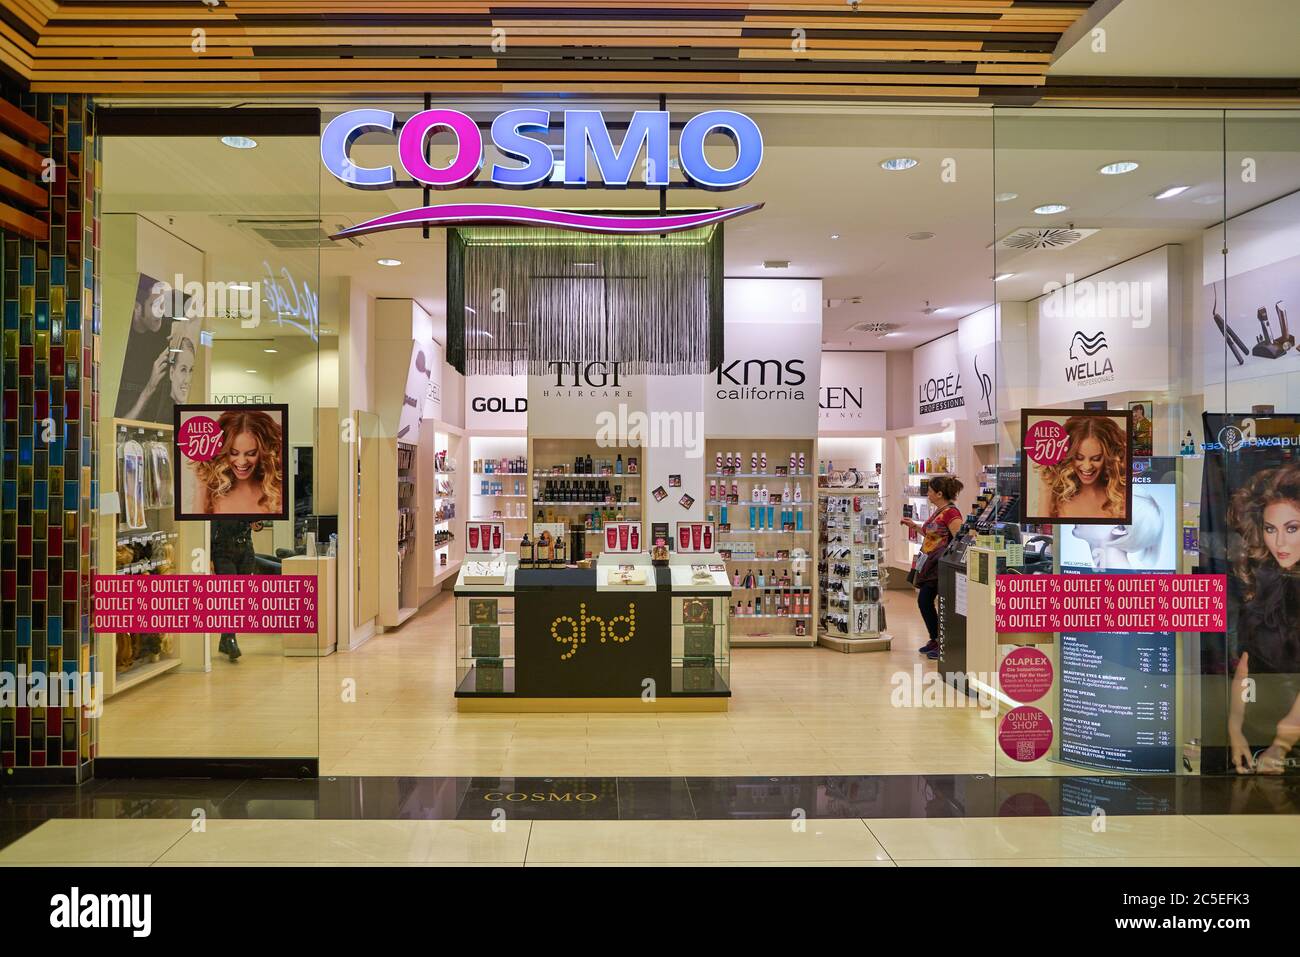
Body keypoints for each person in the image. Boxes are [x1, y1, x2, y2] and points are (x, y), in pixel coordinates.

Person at [1227, 462, 1300, 774]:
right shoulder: (1266, 581)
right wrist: (1234, 726)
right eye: (1271, 529)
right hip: (1260, 734)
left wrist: (1281, 746)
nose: (1279, 543)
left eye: (1292, 528)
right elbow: (1247, 665)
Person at [901, 475, 964, 659]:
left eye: (929, 490)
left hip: (940, 566)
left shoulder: (952, 513)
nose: (927, 493)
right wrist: (914, 526)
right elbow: (932, 534)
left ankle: (941, 641)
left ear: (939, 493)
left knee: (926, 601)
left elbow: (959, 539)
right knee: (925, 601)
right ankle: (936, 639)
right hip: (930, 565)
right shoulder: (939, 511)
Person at [192, 409, 284, 516]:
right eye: (234, 453)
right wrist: (201, 482)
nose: (242, 462)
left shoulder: (275, 491)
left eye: (251, 453)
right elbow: (197, 525)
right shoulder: (211, 490)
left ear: (264, 451)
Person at [1035, 414, 1128, 520]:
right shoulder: (1057, 495)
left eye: (1096, 458)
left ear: (1109, 457)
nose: (1087, 466)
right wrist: (1045, 486)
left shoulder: (1119, 495)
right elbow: (1043, 530)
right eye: (1079, 458)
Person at [210, 520, 263, 661]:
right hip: (223, 550)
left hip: (246, 548)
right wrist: (209, 557)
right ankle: (230, 640)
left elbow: (257, 524)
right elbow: (211, 525)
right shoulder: (220, 499)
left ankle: (225, 639)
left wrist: (258, 524)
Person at [122, 334, 196, 425]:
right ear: (171, 372)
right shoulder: (160, 411)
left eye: (191, 370)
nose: (187, 379)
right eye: (183, 370)